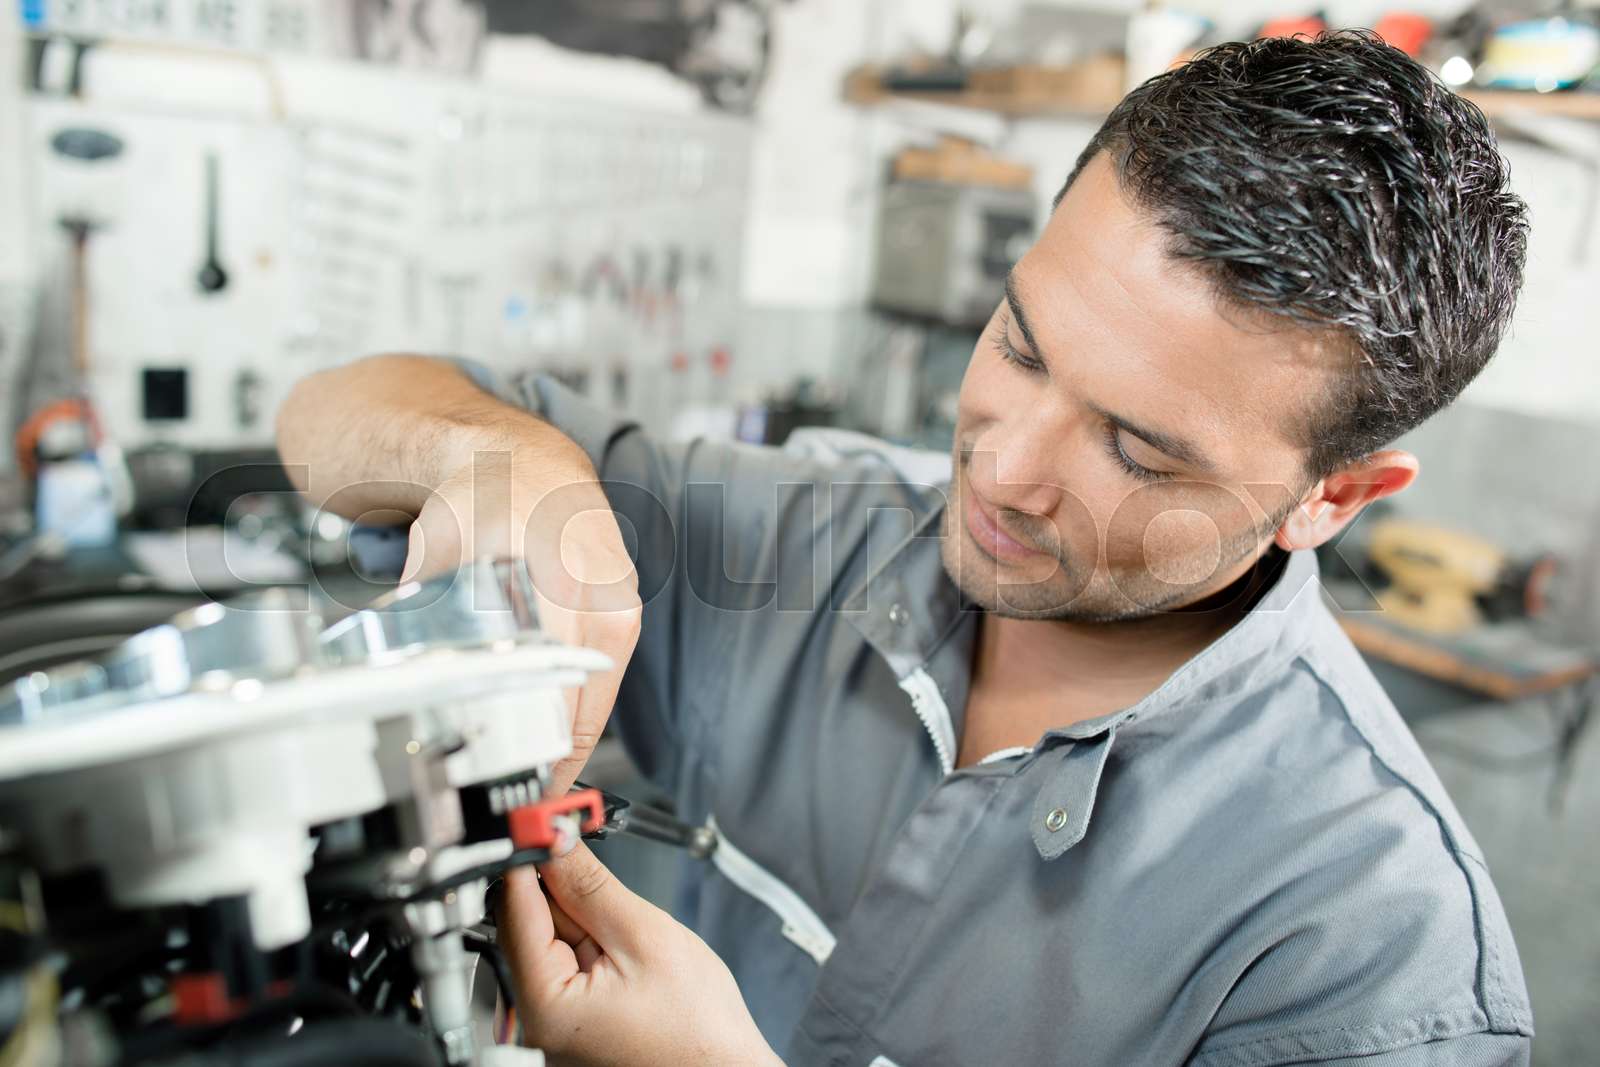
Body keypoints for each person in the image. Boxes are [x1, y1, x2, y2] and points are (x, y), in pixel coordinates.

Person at [277, 31, 1534, 1067]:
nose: (1004, 465)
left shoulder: (1370, 961)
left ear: (1336, 495)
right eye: (1022, 346)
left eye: (1140, 454)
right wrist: (505, 464)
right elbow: (327, 415)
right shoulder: (802, 536)